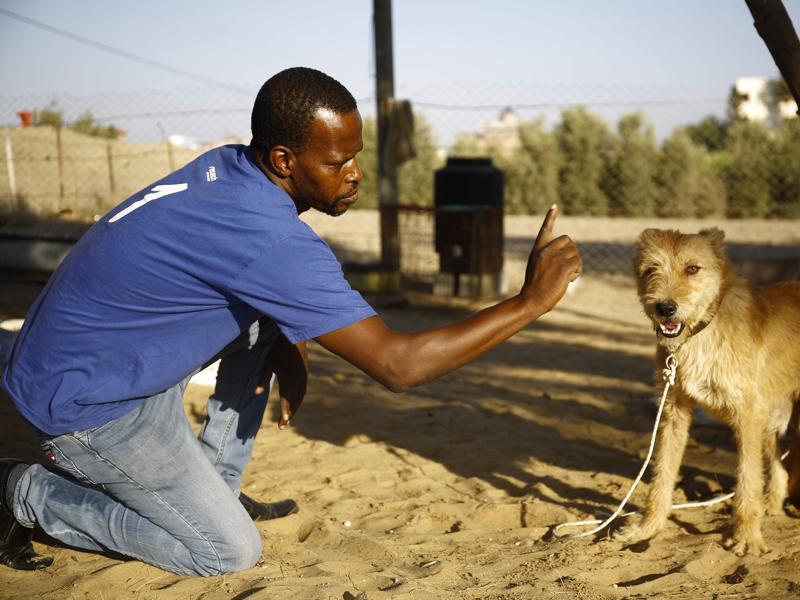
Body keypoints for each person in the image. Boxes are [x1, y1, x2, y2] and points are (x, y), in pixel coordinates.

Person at [0, 67, 581, 576]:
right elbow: (398, 366)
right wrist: (529, 302)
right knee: (223, 552)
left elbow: (235, 274)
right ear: (283, 159)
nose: (354, 174)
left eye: (356, 156)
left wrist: (284, 336)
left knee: (270, 323)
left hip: (86, 355)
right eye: (337, 161)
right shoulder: (273, 239)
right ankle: (21, 491)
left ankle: (216, 486)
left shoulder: (230, 167)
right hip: (85, 405)